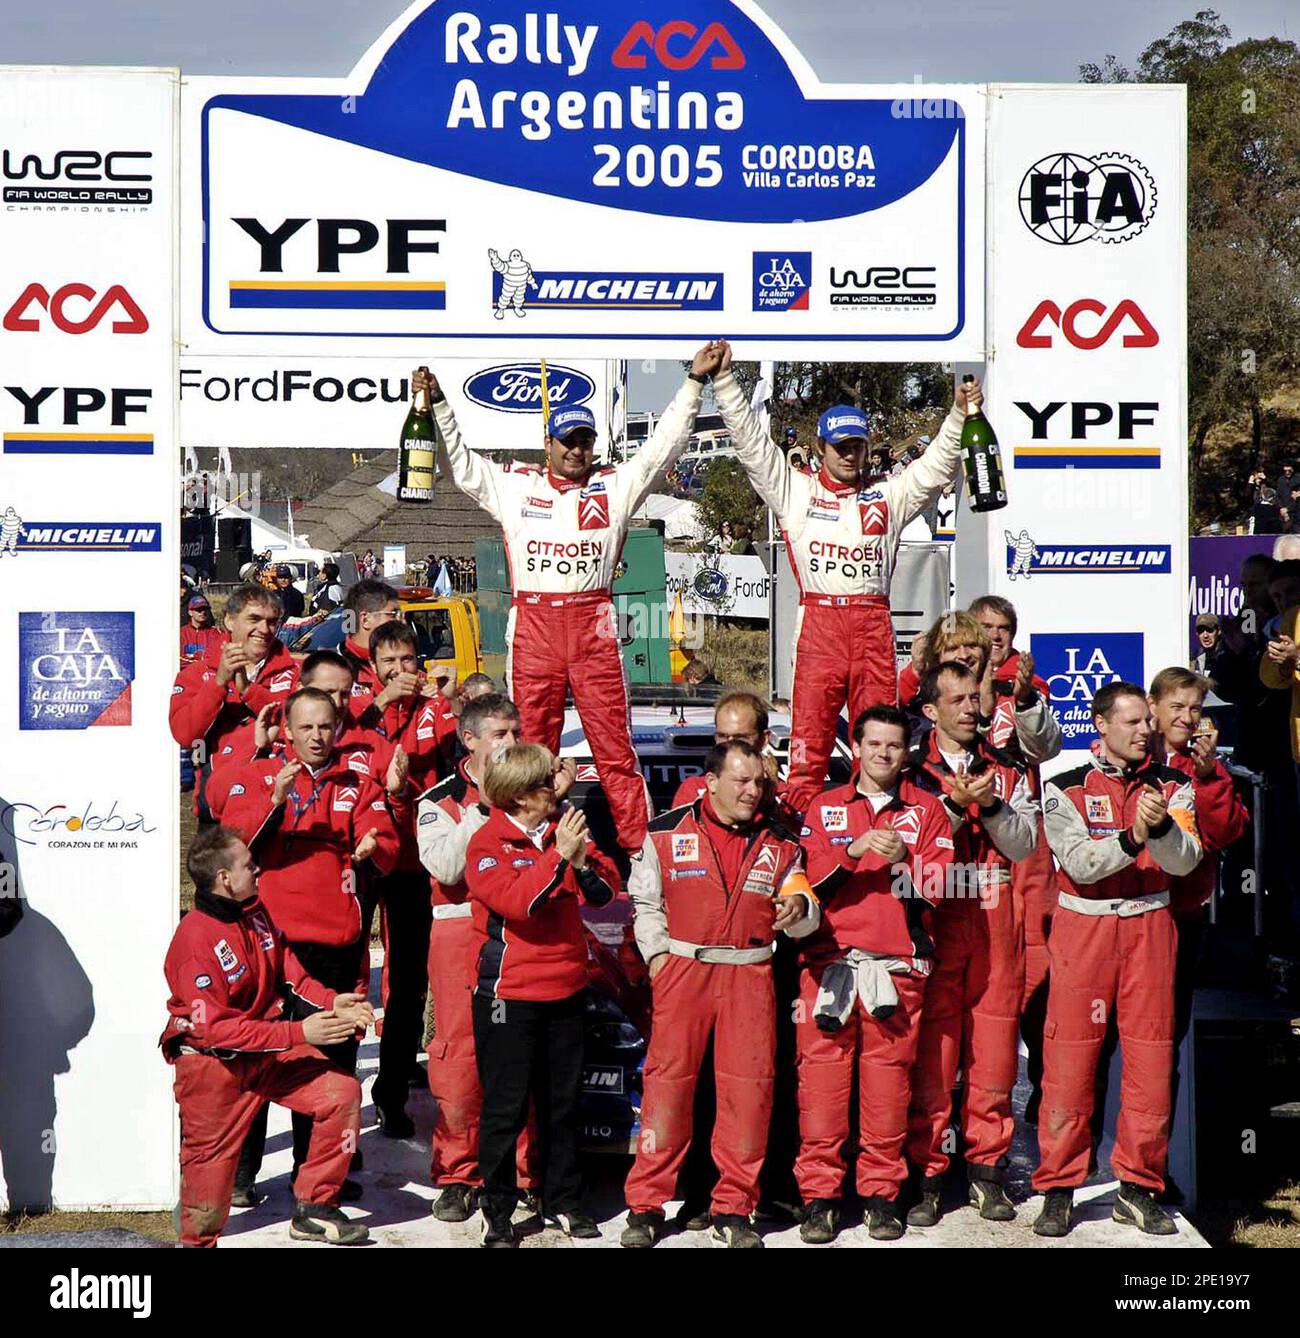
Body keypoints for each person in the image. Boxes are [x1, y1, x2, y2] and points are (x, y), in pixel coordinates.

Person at [414, 344, 722, 856]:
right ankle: (529, 848)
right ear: (548, 441)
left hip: (594, 623)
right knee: (531, 750)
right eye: (567, 440)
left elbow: (663, 447)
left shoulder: (615, 485)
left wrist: (693, 382)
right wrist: (442, 405)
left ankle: (638, 858)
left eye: (585, 440)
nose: (576, 450)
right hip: (534, 623)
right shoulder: (517, 485)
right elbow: (464, 469)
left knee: (615, 752)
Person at [711, 339, 973, 812]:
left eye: (858, 445)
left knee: (881, 745)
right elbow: (751, 445)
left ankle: (881, 833)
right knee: (808, 752)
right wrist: (727, 383)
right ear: (820, 447)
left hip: (872, 626)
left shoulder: (887, 495)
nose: (851, 455)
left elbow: (935, 468)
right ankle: (804, 847)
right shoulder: (795, 490)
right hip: (819, 628)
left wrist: (956, 417)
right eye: (841, 447)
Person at [621, 741, 818, 1249]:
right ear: (710, 782)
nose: (753, 791)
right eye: (741, 782)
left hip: (750, 974)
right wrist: (659, 958)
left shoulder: (782, 842)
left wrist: (798, 908)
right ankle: (645, 1205)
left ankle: (734, 1207)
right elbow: (644, 900)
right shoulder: (665, 832)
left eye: (759, 783)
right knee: (668, 1089)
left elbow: (802, 896)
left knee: (748, 1094)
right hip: (684, 971)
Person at [1031, 682, 1201, 1239]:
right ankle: (1058, 1186)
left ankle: (1139, 1185)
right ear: (1100, 725)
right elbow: (1080, 863)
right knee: (1069, 1060)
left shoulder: (1175, 785)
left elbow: (1184, 860)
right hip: (1085, 924)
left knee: (1152, 1062)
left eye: (1146, 722)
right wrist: (1132, 837)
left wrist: (1160, 829)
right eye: (1130, 722)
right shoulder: (1061, 788)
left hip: (1152, 924)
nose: (1144, 731)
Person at [223, 687, 403, 1195]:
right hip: (271, 946)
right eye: (306, 727)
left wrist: (374, 842)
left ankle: (319, 1171)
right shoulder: (262, 774)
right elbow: (231, 843)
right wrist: (272, 802)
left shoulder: (356, 781)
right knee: (257, 1057)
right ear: (287, 729)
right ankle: (241, 1172)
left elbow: (384, 836)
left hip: (336, 946)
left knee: (331, 1064)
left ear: (338, 727)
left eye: (325, 726)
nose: (317, 736)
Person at [161, 825, 372, 1246]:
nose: (257, 869)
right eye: (247, 864)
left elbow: (288, 970)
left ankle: (314, 1207)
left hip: (265, 1053)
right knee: (205, 1213)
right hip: (213, 1069)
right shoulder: (194, 940)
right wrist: (299, 1031)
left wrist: (331, 1002)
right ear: (224, 878)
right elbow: (215, 1031)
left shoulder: (255, 911)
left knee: (341, 1093)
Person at [795, 706, 953, 1243]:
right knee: (822, 1088)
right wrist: (853, 852)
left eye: (894, 746)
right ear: (856, 748)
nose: (884, 754)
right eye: (874, 744)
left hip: (898, 968)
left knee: (887, 1090)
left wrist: (905, 859)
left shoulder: (927, 810)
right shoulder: (824, 807)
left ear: (906, 751)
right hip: (830, 966)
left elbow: (942, 888)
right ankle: (819, 1198)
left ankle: (881, 1197)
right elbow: (807, 884)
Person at [465, 743, 620, 1247]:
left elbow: (606, 892)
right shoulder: (487, 843)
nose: (554, 792)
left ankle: (565, 1201)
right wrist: (559, 858)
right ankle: (500, 1209)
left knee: (563, 1105)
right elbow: (518, 903)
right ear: (520, 797)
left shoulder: (564, 833)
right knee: (506, 1110)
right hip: (509, 995)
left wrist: (582, 862)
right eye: (543, 785)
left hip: (567, 989)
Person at [905, 663, 1039, 1226]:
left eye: (973, 697)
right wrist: (953, 808)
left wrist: (990, 805)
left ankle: (988, 1171)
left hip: (994, 912)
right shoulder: (911, 772)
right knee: (934, 1052)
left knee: (994, 1048)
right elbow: (906, 857)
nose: (969, 707)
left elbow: (1026, 843)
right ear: (930, 710)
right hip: (936, 913)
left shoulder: (1005, 767)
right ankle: (929, 1175)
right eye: (955, 699)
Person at [417, 694, 545, 1221]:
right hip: (455, 935)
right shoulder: (440, 801)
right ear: (469, 739)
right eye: (499, 734)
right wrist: (487, 808)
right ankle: (458, 1174)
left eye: (515, 732)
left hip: (517, 932)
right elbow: (446, 867)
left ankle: (523, 1173)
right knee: (458, 1063)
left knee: (521, 1058)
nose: (511, 743)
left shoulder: (537, 794)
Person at [357, 620, 461, 1136]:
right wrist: (380, 704)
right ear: (372, 667)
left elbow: (456, 753)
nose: (400, 672)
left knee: (408, 981)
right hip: (363, 855)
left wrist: (448, 700)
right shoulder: (361, 707)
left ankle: (391, 1090)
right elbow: (342, 739)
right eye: (388, 663)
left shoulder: (435, 705)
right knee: (347, 979)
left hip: (414, 862)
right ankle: (334, 1098)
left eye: (407, 661)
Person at [968, 595, 1063, 1126]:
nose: (995, 637)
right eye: (986, 627)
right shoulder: (947, 681)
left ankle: (1045, 1084)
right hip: (964, 840)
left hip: (1023, 837)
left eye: (1004, 629)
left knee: (1036, 961)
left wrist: (1022, 697)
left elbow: (1046, 747)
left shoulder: (1027, 685)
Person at [1146, 669, 1248, 1120]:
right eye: (1177, 707)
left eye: (1195, 709)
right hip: (1128, 913)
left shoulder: (1204, 766)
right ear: (1153, 707)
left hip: (1182, 916)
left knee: (1167, 1038)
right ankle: (1089, 1147)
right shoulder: (1131, 754)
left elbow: (1227, 832)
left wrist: (1208, 781)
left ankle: (1155, 1161)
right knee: (1107, 1033)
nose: (1188, 718)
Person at [170, 584, 297, 823]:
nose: (264, 629)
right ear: (229, 621)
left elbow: (305, 730)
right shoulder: (198, 673)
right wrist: (218, 683)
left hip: (279, 809)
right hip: (217, 810)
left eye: (271, 622)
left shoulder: (295, 673)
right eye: (254, 619)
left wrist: (250, 692)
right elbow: (185, 734)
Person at [339, 579, 404, 710]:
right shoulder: (334, 671)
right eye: (393, 614)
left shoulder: (405, 665)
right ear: (366, 620)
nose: (402, 622)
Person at [179, 593, 224, 665]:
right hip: (186, 672)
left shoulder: (216, 632)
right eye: (199, 610)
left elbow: (217, 657)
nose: (203, 612)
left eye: (205, 609)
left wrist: (193, 657)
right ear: (190, 612)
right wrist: (201, 658)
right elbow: (177, 658)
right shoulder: (180, 633)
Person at [1192, 613, 1222, 678]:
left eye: (1210, 630)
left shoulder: (1227, 658)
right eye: (1201, 631)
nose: (1205, 635)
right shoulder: (1196, 658)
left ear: (1219, 631)